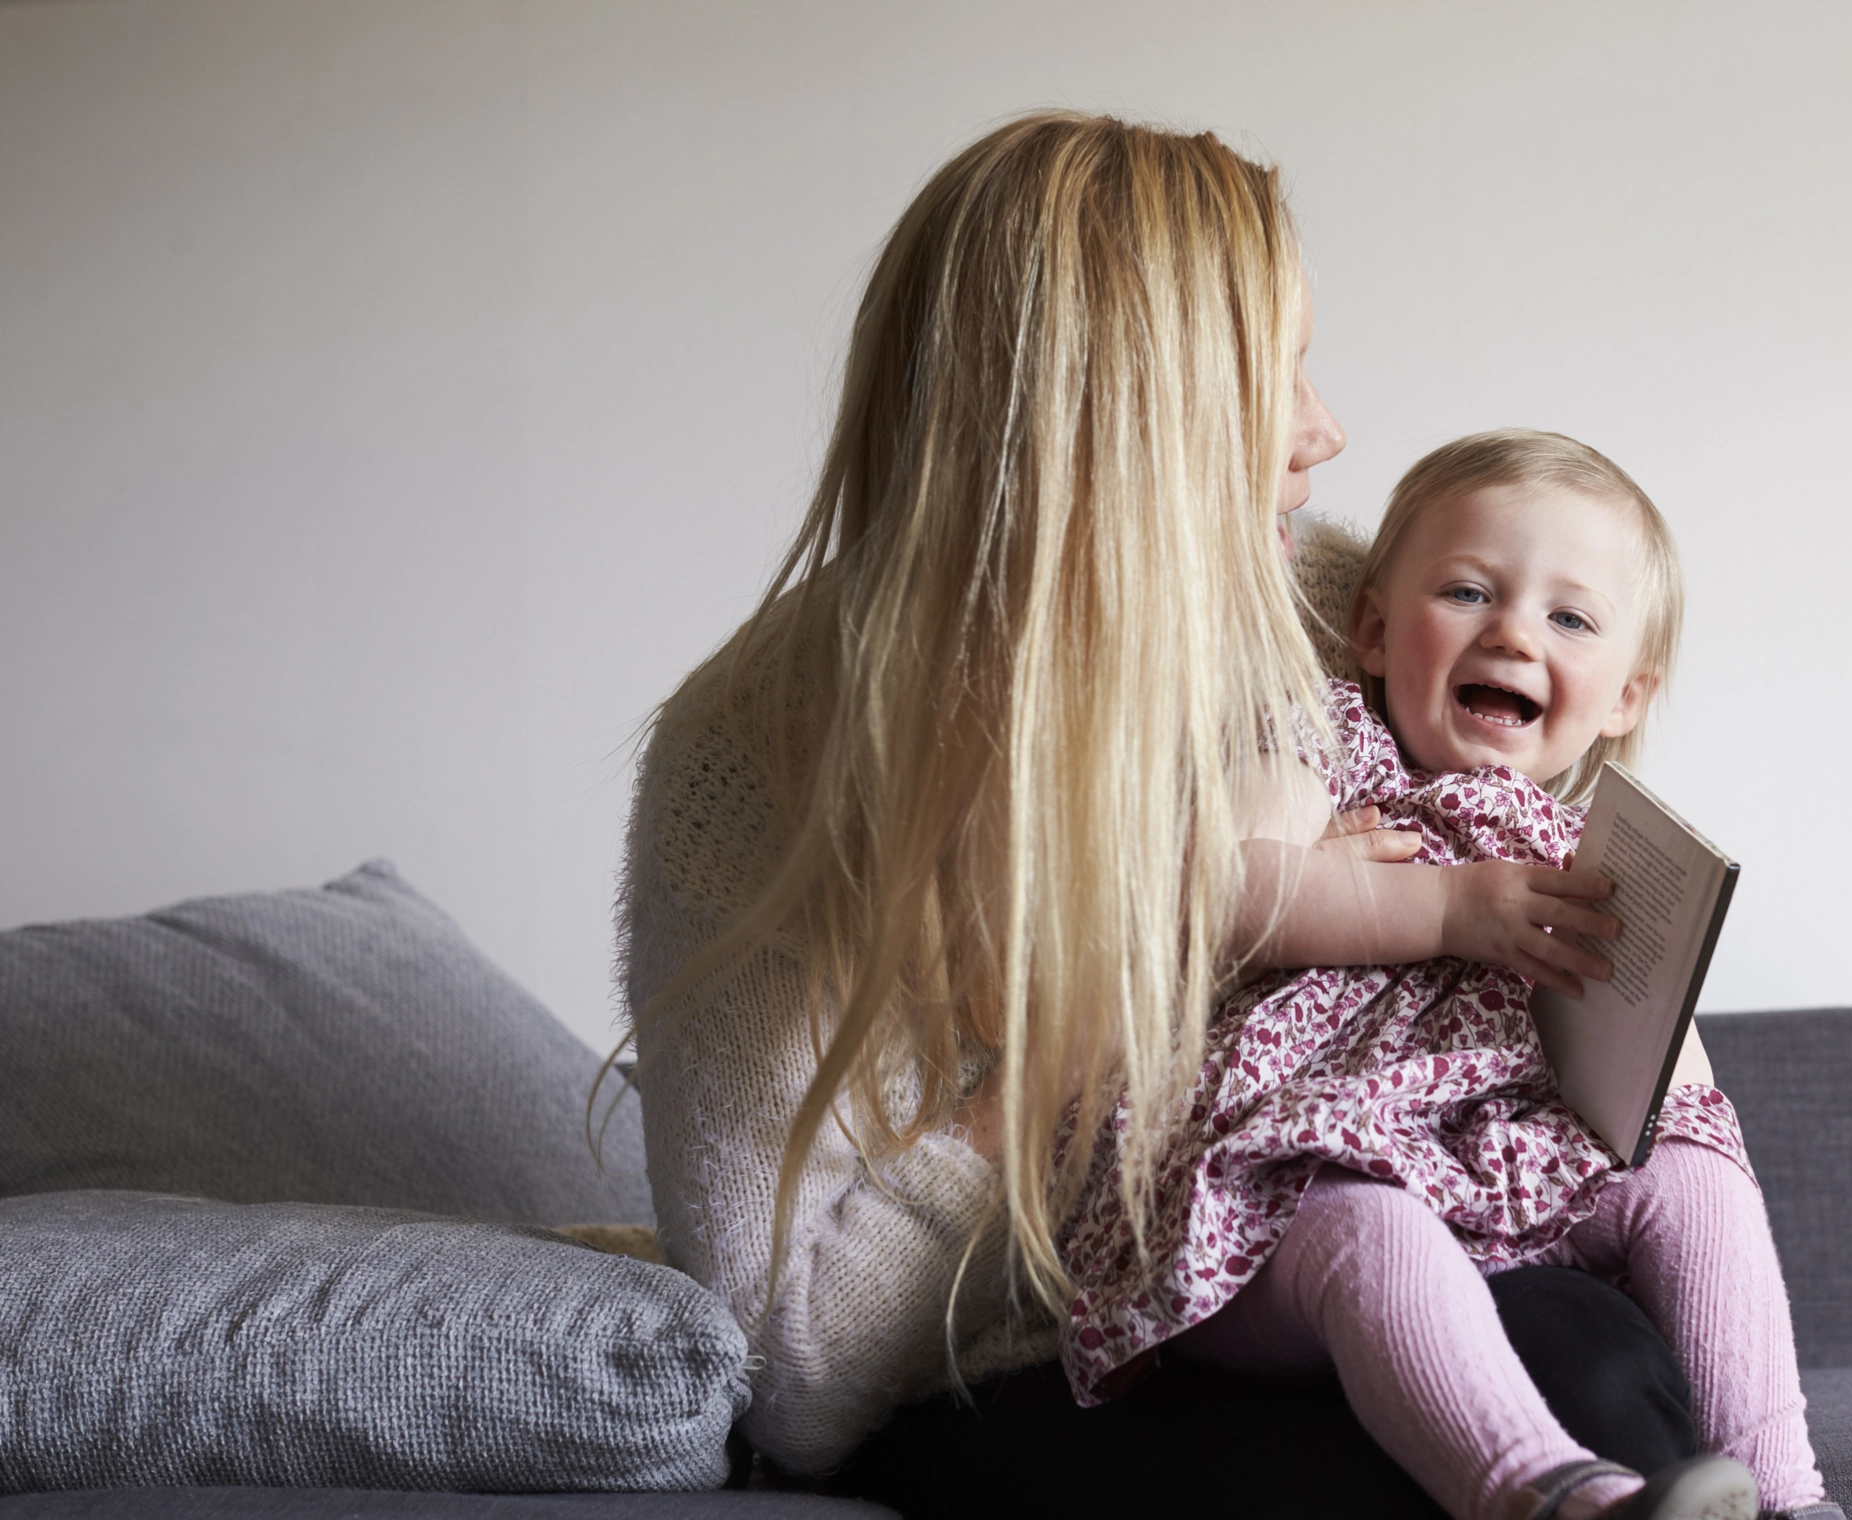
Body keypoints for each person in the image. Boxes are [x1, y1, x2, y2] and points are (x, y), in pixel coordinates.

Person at [618, 111, 1703, 1506]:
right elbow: (808, 1376)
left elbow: (1531, 816)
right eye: (1279, 373)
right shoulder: (761, 757)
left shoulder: (1320, 603)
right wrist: (1149, 974)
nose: (1329, 432)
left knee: (1578, 1347)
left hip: (1332, 1248)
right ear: (1122, 411)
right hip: (1015, 1362)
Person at [1059, 430, 1845, 1520]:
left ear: (1622, 695)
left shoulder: (1586, 854)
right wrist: (1445, 904)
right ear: (1375, 631)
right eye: (1469, 590)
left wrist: (1666, 1094)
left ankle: (1790, 1498)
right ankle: (1550, 1494)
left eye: (1568, 618)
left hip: (1495, 1177)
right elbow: (1218, 889)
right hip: (1279, 1177)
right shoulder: (1324, 744)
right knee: (1370, 1223)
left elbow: (1654, 1075)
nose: (1514, 632)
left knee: (1690, 1169)